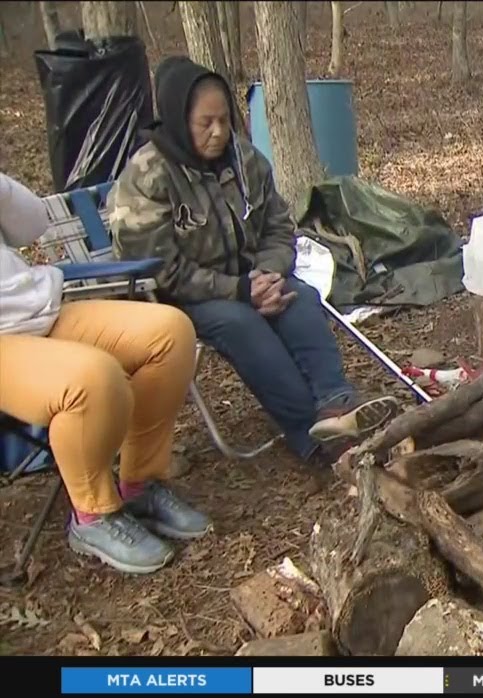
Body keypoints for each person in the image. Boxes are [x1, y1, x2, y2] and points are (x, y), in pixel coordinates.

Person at [109, 56, 398, 463]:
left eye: (225, 120)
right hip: (185, 298)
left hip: (251, 279)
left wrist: (267, 273)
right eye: (205, 123)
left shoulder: (243, 161)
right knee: (242, 323)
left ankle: (336, 403)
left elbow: (279, 227)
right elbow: (159, 271)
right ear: (178, 119)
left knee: (298, 297)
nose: (218, 132)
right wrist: (240, 290)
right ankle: (313, 438)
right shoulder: (148, 176)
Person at [1, 171, 207, 575]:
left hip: (41, 310)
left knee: (169, 333)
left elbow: (34, 224)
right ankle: (92, 515)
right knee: (93, 378)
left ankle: (139, 485)